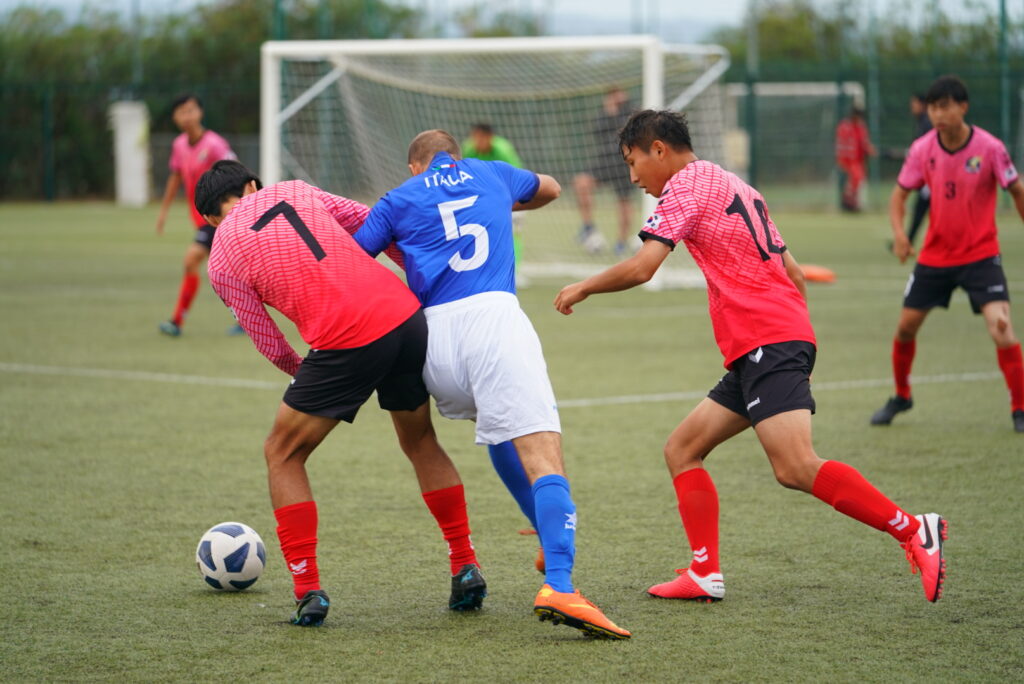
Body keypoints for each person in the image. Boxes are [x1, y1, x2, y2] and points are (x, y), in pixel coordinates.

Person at [554, 109, 948, 605]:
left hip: (768, 340)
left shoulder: (685, 188)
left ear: (659, 150)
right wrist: (794, 337)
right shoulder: (733, 184)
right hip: (765, 342)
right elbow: (795, 272)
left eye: (634, 162)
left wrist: (584, 286)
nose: (633, 178)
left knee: (795, 466)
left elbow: (644, 267)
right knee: (682, 449)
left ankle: (914, 529)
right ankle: (704, 573)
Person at [354, 130, 632, 639]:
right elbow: (549, 188)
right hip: (494, 321)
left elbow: (354, 260)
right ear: (454, 155)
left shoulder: (399, 197)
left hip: (432, 341)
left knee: (498, 427)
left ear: (416, 166)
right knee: (543, 449)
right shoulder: (491, 172)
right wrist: (510, 198)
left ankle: (545, 545)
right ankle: (561, 585)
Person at [194, 160, 486, 627]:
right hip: (404, 314)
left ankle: (308, 591)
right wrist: (414, 290)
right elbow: (375, 223)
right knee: (420, 441)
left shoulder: (222, 257)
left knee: (282, 453)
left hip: (346, 339)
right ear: (253, 185)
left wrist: (305, 376)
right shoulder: (295, 189)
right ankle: (465, 565)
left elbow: (268, 339)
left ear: (210, 219)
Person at [871, 75, 1024, 433]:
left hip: (981, 256)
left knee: (1001, 328)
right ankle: (901, 395)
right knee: (906, 327)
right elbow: (899, 196)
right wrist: (899, 235)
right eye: (933, 108)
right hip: (935, 257)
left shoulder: (990, 148)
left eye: (944, 107)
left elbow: (1015, 188)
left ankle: (1019, 408)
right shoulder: (923, 149)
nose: (937, 114)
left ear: (962, 107)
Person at [155, 94, 240, 337]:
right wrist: (164, 211)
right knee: (232, 272)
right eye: (182, 111)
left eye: (191, 110)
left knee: (193, 261)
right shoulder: (179, 145)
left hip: (219, 216)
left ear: (200, 113)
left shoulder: (214, 144)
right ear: (175, 117)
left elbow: (236, 171)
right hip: (203, 218)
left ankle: (177, 321)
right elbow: (175, 177)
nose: (187, 116)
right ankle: (246, 317)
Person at [462, 123, 528, 285]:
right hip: (483, 197)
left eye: (481, 137)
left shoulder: (503, 149)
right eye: (475, 136)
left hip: (512, 196)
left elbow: (516, 176)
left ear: (490, 137)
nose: (477, 141)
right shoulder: (468, 148)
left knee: (513, 232)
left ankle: (513, 272)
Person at [574, 86, 636, 255]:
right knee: (581, 183)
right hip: (604, 161)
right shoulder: (604, 113)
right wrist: (609, 111)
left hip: (624, 164)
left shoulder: (631, 112)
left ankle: (621, 243)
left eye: (620, 93)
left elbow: (627, 132)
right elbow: (597, 131)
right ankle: (588, 226)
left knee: (624, 203)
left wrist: (616, 113)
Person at [835, 105, 876, 212]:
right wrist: (842, 159)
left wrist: (868, 149)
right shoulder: (845, 126)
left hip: (858, 160)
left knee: (858, 179)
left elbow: (864, 142)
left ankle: (851, 203)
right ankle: (848, 202)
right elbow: (842, 144)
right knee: (855, 178)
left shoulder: (861, 127)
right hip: (848, 160)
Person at [905, 93, 933, 246]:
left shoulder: (927, 123)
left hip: (931, 178)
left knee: (923, 211)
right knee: (919, 211)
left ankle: (908, 241)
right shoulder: (922, 122)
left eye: (914, 103)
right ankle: (907, 241)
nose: (912, 107)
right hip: (926, 178)